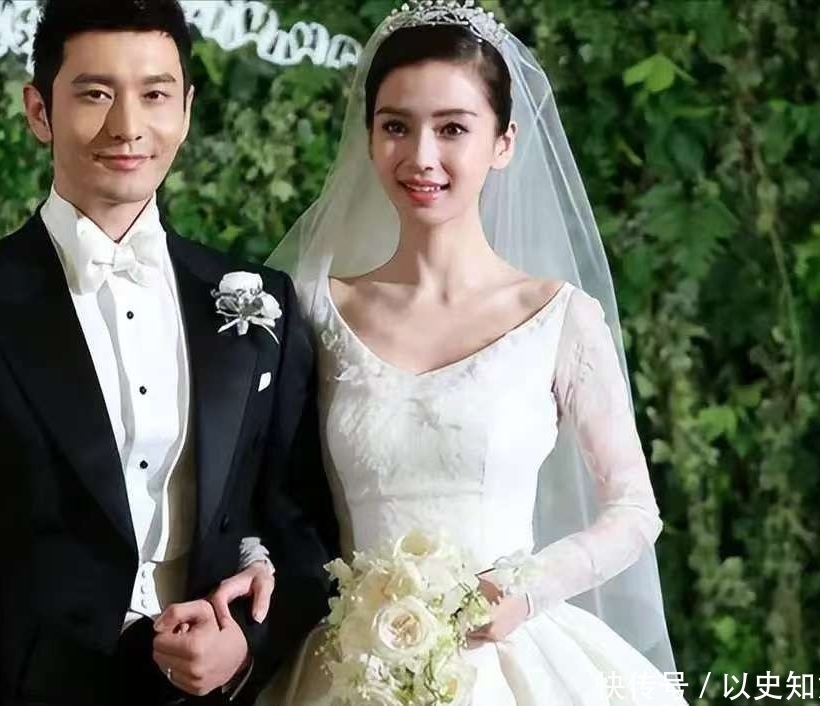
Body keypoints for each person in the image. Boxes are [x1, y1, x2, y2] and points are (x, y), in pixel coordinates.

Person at [0, 1, 335, 704]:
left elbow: (301, 527)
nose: (127, 126)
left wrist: (246, 642)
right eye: (95, 94)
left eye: (154, 95)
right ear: (39, 111)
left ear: (186, 109)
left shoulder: (257, 298)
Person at [242, 1, 691, 703]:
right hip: (350, 663)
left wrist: (527, 589)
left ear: (504, 142)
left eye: (452, 128)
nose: (421, 156)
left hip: (510, 659)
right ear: (369, 136)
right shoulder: (314, 309)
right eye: (396, 126)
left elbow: (634, 509)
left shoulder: (559, 318)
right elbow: (257, 490)